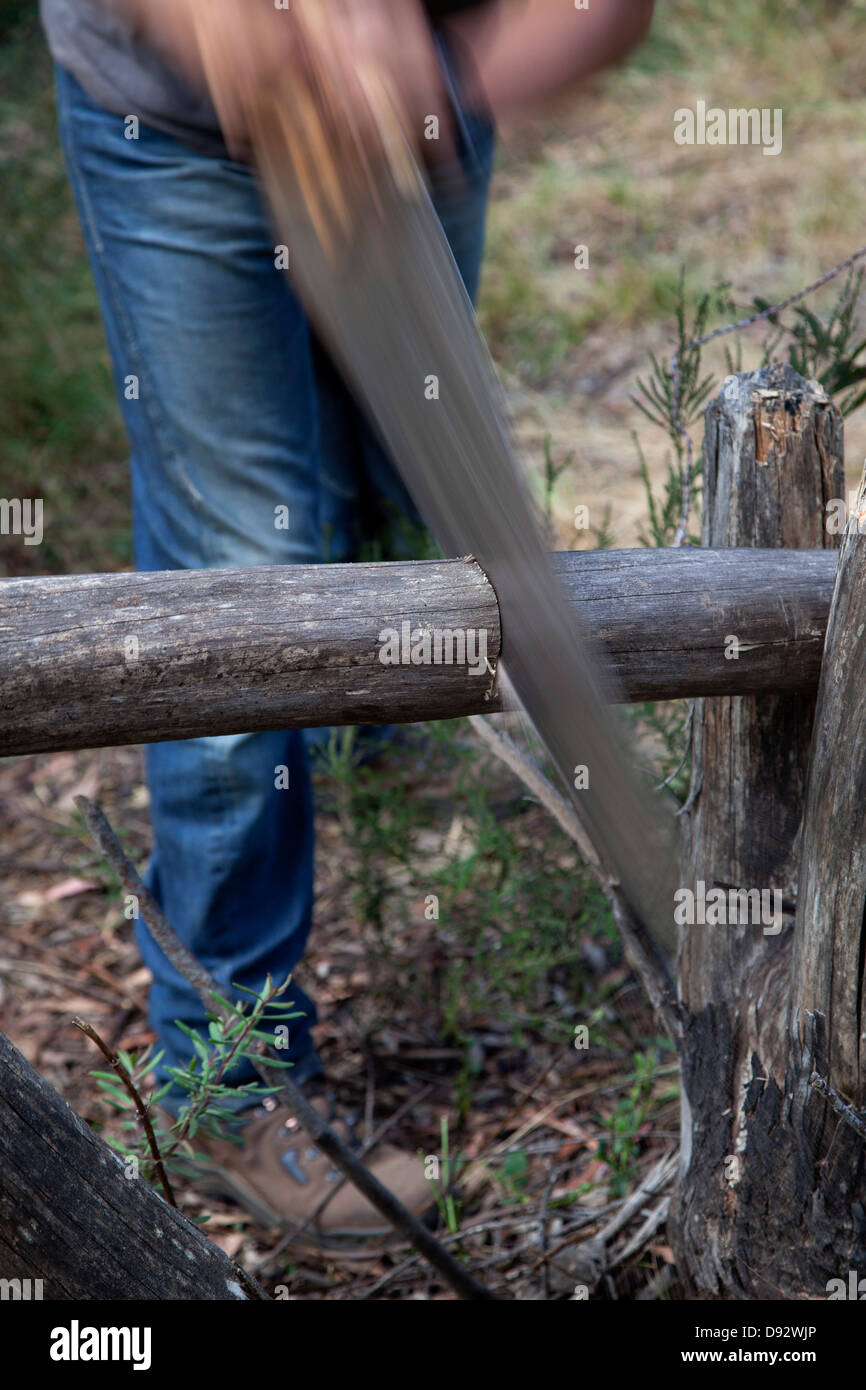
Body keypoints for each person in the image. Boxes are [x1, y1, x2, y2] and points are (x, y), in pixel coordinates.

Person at [40, 0, 656, 1246]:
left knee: (394, 509)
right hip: (172, 116)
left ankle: (370, 779)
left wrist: (457, 75)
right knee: (245, 581)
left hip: (411, 117)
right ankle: (229, 1083)